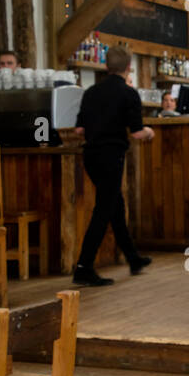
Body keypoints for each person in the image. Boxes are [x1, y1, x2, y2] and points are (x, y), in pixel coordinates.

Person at [70, 46, 154, 286]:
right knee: (104, 210)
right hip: (111, 156)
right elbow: (137, 133)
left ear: (106, 66)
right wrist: (150, 132)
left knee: (115, 204)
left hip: (91, 156)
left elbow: (79, 129)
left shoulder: (90, 92)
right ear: (128, 68)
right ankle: (84, 267)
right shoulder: (128, 94)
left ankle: (132, 257)